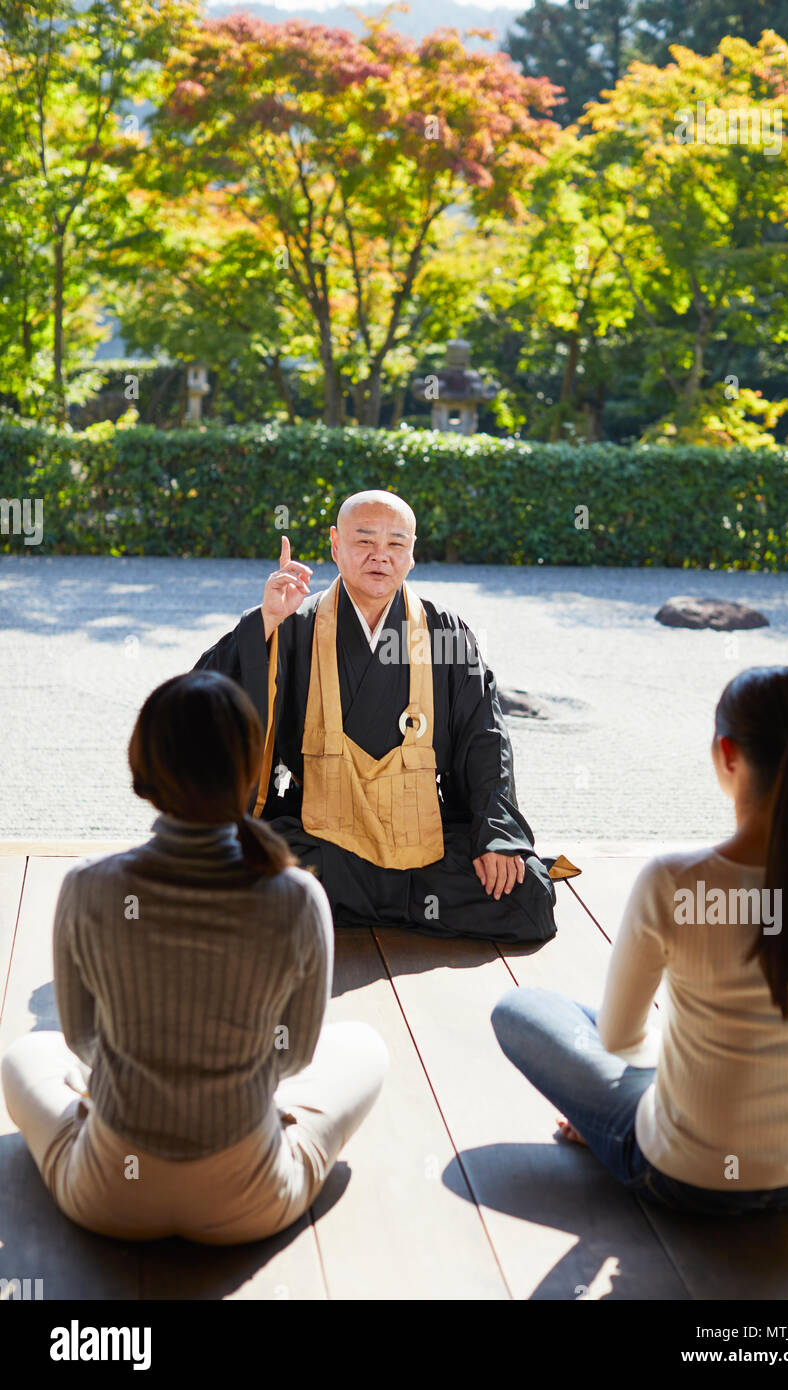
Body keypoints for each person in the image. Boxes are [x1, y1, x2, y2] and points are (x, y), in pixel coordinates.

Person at [1, 671, 388, 1244]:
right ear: (249, 769)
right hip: (250, 1201)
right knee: (364, 1047)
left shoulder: (87, 885)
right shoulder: (297, 895)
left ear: (144, 769)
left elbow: (83, 1042)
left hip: (108, 1195)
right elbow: (295, 1054)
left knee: (24, 1056)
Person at [492, 666, 788, 1214]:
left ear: (726, 752)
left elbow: (619, 1041)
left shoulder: (673, 879)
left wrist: (677, 1065)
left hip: (687, 1173)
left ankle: (622, 1120)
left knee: (523, 1008)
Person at [193, 489, 559, 943]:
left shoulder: (444, 632)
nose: (379, 557)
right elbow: (201, 698)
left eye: (395, 545)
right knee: (224, 877)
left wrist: (497, 837)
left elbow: (485, 737)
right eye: (364, 541)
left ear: (412, 554)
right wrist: (264, 621)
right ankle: (394, 901)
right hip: (320, 834)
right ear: (335, 544)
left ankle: (332, 904)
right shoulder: (292, 623)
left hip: (419, 835)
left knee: (528, 898)